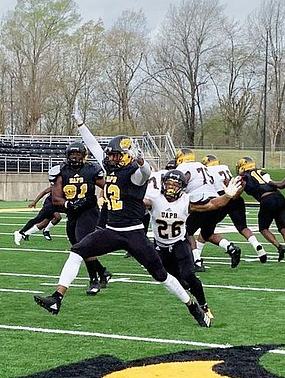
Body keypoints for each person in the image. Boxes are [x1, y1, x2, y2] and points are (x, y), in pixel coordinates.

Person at [34, 123, 210, 328]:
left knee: (162, 276)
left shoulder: (135, 173)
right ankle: (57, 298)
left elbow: (144, 172)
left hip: (134, 234)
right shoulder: (109, 166)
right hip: (112, 231)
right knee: (77, 251)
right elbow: (93, 145)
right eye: (111, 155)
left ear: (127, 155)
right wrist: (81, 125)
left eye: (117, 155)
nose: (111, 158)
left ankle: (192, 307)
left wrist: (141, 160)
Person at [145, 168, 244, 323]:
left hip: (179, 244)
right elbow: (137, 202)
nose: (170, 187)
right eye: (168, 184)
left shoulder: (186, 201)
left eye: (174, 185)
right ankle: (192, 301)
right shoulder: (155, 199)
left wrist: (228, 196)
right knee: (176, 281)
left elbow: (212, 205)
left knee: (189, 276)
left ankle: (204, 306)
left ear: (182, 188)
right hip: (161, 247)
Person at [50, 140, 112, 295]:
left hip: (89, 211)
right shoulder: (61, 171)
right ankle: (103, 271)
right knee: (76, 244)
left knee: (83, 244)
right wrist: (69, 204)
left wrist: (102, 198)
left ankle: (94, 280)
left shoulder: (91, 170)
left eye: (78, 154)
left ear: (84, 156)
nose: (75, 158)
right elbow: (56, 198)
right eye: (72, 154)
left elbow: (109, 186)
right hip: (73, 212)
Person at [174, 148, 241, 272]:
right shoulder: (201, 166)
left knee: (186, 232)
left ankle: (197, 261)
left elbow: (184, 179)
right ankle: (230, 247)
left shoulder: (183, 167)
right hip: (215, 200)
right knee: (207, 233)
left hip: (200, 199)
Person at [199, 154, 268, 263]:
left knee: (206, 229)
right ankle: (258, 246)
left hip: (221, 199)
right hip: (236, 197)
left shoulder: (206, 171)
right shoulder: (225, 168)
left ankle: (197, 256)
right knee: (243, 227)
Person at [237, 156, 285, 264]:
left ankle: (279, 247)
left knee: (263, 228)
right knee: (283, 227)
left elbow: (238, 191)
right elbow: (269, 181)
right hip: (279, 197)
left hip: (267, 199)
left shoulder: (244, 177)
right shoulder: (262, 172)